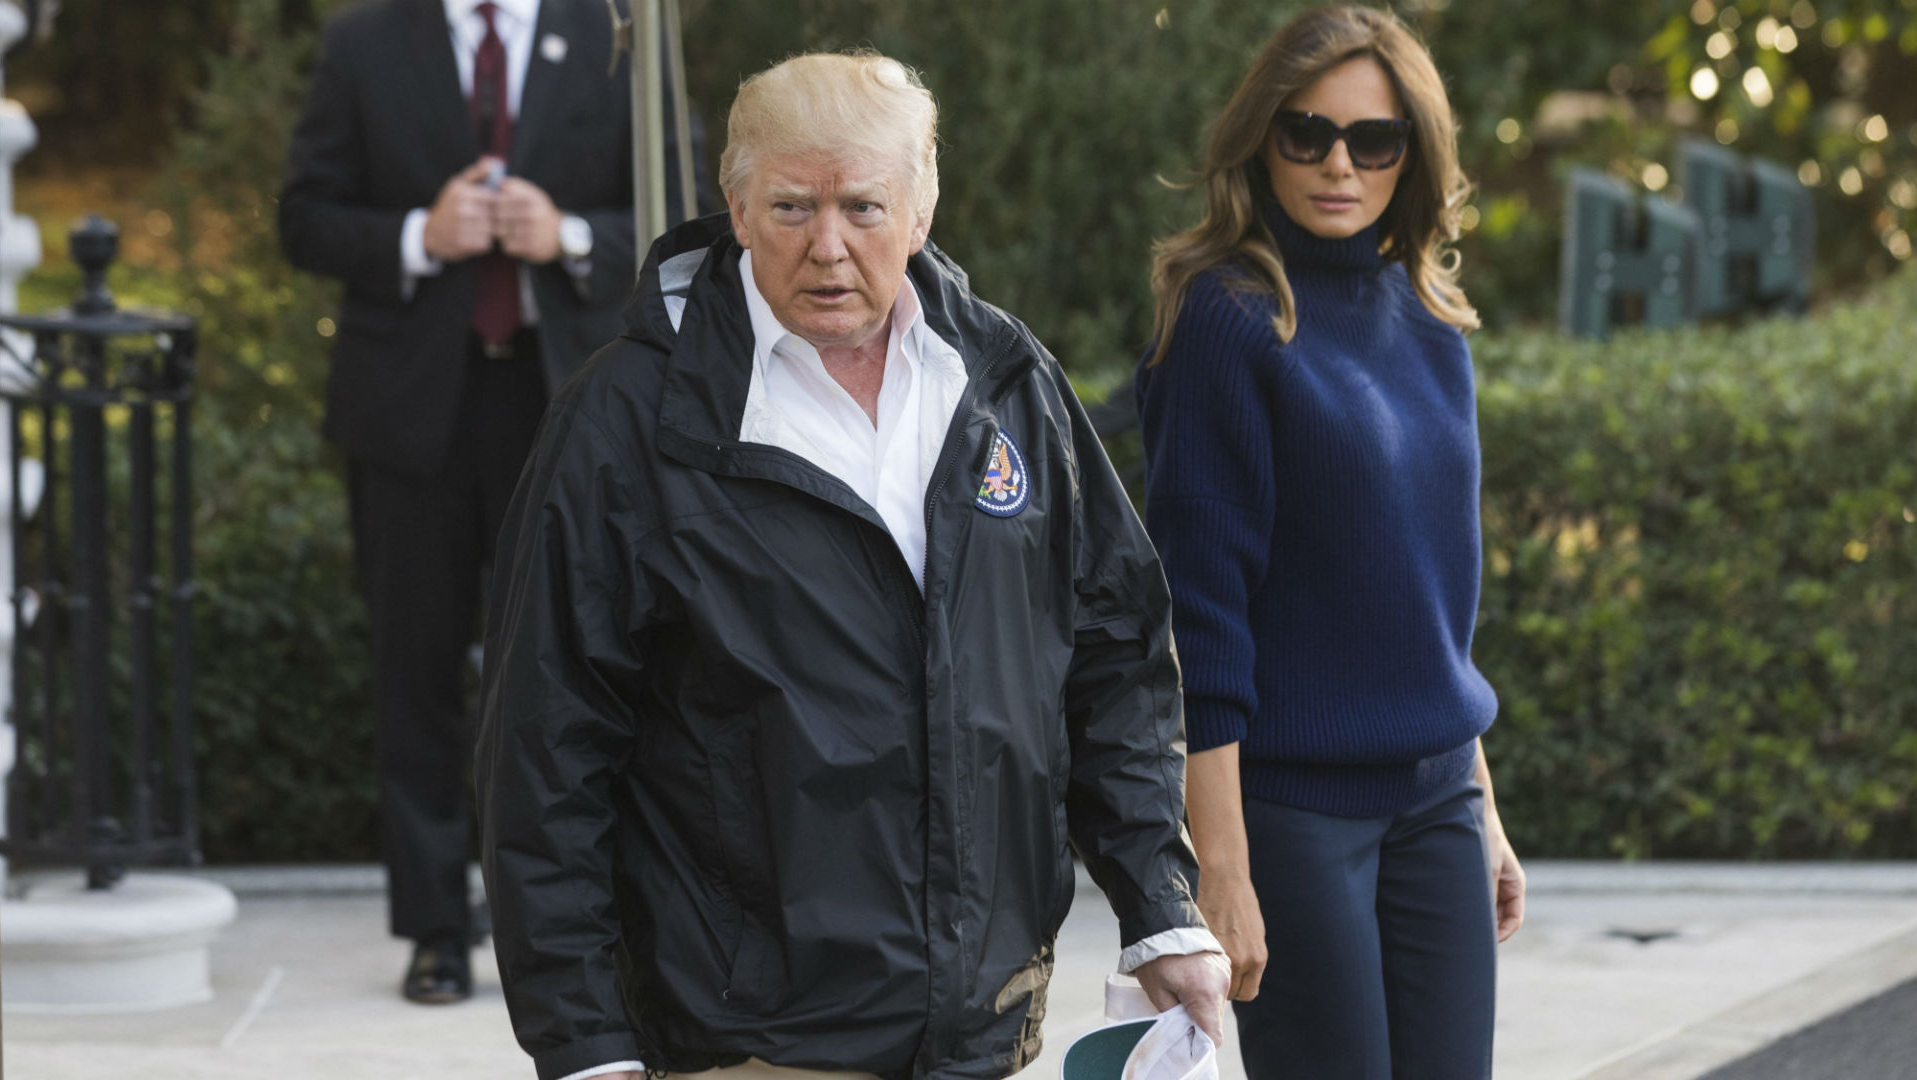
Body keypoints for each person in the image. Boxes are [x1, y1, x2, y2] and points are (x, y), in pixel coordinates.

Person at [475, 51, 1229, 1080]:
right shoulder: (627, 422)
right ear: (736, 209)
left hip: (981, 1033)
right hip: (751, 1043)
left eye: (863, 207)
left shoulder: (1006, 382)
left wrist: (1164, 914)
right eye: (791, 207)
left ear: (920, 212)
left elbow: (1115, 656)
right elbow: (545, 744)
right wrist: (584, 1044)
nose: (828, 247)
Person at [279, 0, 702, 1005]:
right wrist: (421, 235)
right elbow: (303, 217)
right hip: (411, 419)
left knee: (578, 673)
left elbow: (681, 212)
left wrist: (570, 236)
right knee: (415, 675)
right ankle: (435, 931)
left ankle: (591, 927)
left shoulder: (618, 30)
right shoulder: (363, 42)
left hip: (571, 410)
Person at [1136, 7, 1526, 1078]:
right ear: (1262, 140)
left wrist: (1481, 808)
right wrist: (1221, 868)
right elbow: (1199, 621)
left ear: (1416, 154)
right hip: (1295, 817)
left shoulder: (1430, 315)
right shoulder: (1225, 318)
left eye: (1374, 140)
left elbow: (1435, 601)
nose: (1337, 164)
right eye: (1306, 133)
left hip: (1438, 799)